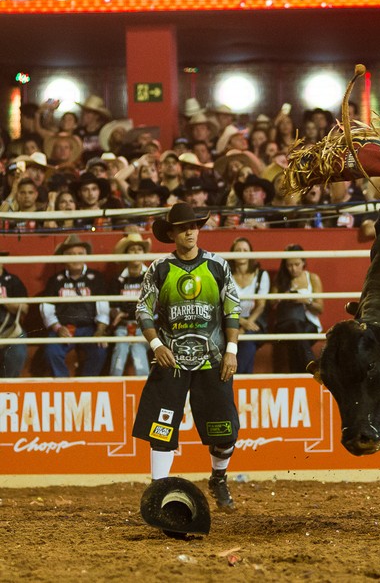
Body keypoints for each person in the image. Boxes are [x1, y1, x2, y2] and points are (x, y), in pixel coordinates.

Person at [131, 202, 242, 511]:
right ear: (172, 234)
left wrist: (231, 351)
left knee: (224, 429)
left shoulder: (218, 266)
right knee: (161, 427)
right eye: (183, 227)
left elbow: (232, 309)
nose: (190, 231)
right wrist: (156, 346)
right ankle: (158, 491)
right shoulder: (160, 268)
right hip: (171, 360)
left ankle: (218, 478)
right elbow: (143, 309)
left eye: (194, 226)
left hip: (214, 358)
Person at [40, 234, 110, 377]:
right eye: (71, 254)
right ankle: (63, 384)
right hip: (64, 328)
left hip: (90, 328)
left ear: (86, 256)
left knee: (100, 349)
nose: (76, 257)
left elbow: (103, 306)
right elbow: (46, 308)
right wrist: (58, 328)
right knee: (51, 351)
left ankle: (87, 383)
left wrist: (100, 330)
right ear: (63, 258)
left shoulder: (96, 278)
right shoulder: (55, 280)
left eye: (79, 253)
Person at [271, 244, 324, 374]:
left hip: (309, 325)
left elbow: (320, 308)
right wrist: (284, 297)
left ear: (303, 262)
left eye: (296, 264)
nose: (293, 269)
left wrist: (305, 300)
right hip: (285, 324)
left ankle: (298, 374)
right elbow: (271, 303)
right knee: (295, 327)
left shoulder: (312, 278)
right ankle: (311, 364)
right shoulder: (280, 279)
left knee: (296, 335)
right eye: (289, 265)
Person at [108, 230, 152, 377]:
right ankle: (114, 387)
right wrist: (119, 313)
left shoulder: (151, 276)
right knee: (120, 350)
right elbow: (113, 306)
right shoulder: (117, 279)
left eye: (139, 249)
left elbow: (153, 305)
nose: (135, 253)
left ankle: (141, 387)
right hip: (123, 326)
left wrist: (125, 312)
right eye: (132, 250)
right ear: (126, 254)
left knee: (138, 348)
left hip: (146, 326)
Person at [229, 237, 271, 374]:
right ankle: (244, 380)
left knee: (248, 341)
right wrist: (240, 322)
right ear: (232, 253)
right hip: (231, 318)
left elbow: (260, 306)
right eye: (238, 250)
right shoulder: (226, 274)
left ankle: (238, 378)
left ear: (251, 253)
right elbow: (222, 304)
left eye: (245, 250)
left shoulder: (261, 275)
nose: (241, 253)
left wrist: (246, 325)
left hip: (253, 319)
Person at [0, 251, 29, 377]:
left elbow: (25, 309)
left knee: (18, 351)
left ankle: (7, 387)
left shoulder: (13, 280)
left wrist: (3, 300)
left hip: (10, 330)